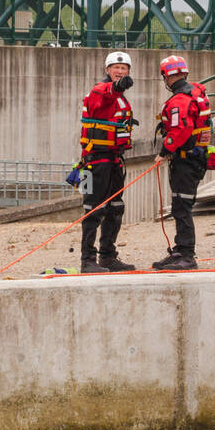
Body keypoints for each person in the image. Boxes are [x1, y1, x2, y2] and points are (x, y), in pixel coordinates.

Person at [77, 51, 139, 273]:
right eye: (116, 68)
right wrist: (117, 87)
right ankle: (87, 260)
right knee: (92, 209)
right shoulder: (99, 90)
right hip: (95, 161)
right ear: (107, 70)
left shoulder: (120, 97)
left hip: (114, 159)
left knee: (115, 208)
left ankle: (107, 257)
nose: (120, 71)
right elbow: (105, 93)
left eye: (124, 69)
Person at [151, 54, 214, 271]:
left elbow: (180, 130)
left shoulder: (179, 100)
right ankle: (180, 250)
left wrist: (164, 151)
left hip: (187, 161)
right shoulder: (195, 93)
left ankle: (186, 255)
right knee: (181, 205)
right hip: (194, 158)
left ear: (166, 77)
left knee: (182, 207)